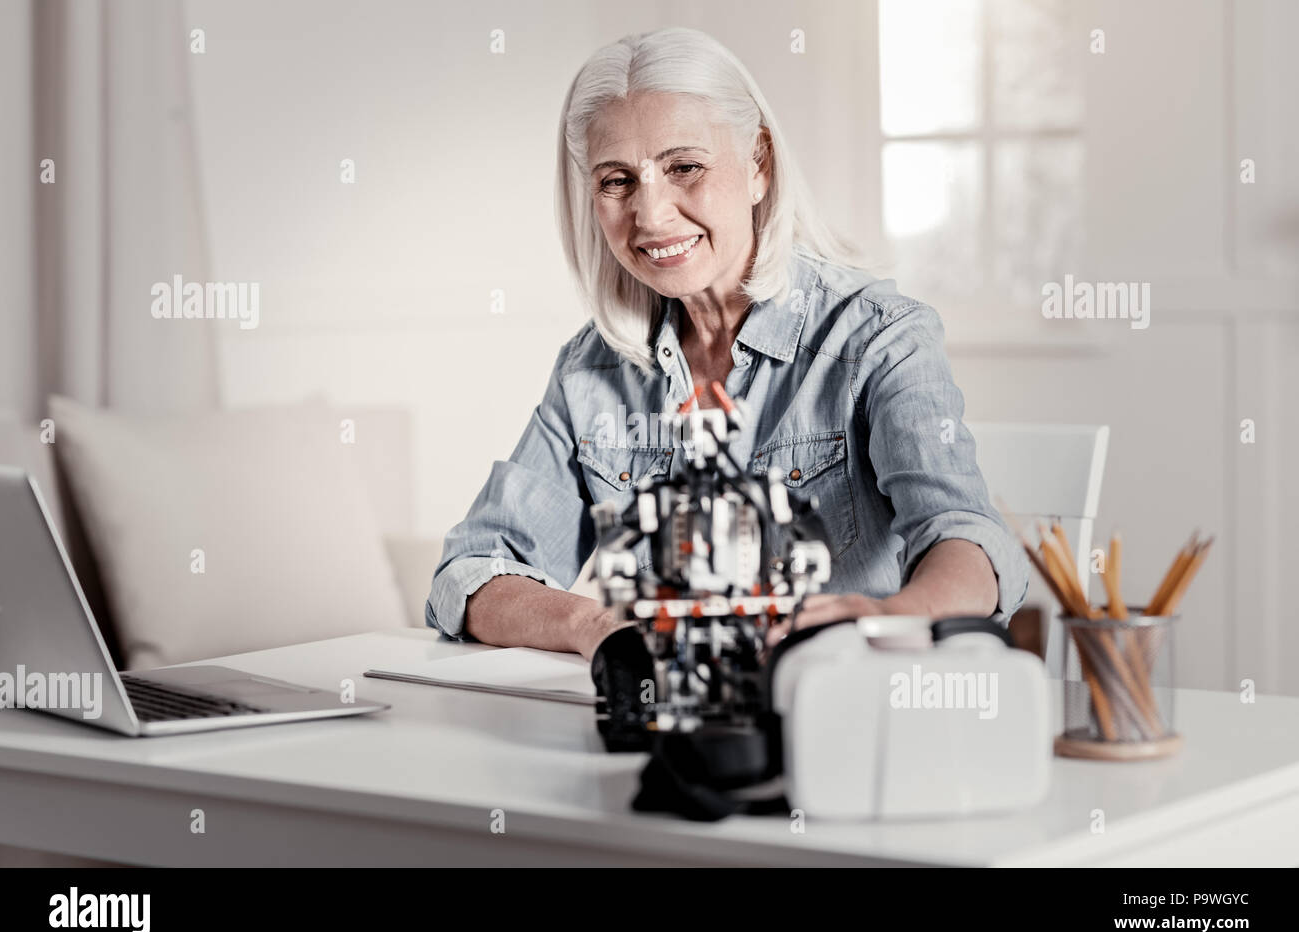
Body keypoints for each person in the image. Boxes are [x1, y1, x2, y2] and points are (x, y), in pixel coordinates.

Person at [426, 26, 1028, 660]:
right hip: (678, 729)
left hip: (848, 715)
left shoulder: (878, 335)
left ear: (758, 165)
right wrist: (598, 626)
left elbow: (966, 539)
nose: (651, 215)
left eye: (684, 167)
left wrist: (883, 618)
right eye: (617, 181)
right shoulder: (591, 369)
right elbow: (472, 571)